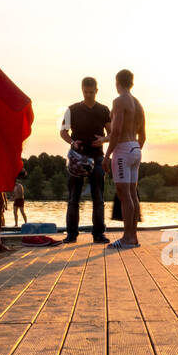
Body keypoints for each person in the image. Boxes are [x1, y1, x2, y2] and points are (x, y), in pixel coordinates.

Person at [60, 77, 112, 245]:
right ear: (82, 90)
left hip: (97, 157)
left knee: (98, 197)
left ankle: (98, 234)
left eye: (91, 92)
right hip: (77, 157)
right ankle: (71, 234)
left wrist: (103, 140)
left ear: (97, 91)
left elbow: (112, 134)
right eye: (85, 92)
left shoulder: (104, 110)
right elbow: (63, 132)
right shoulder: (72, 109)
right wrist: (72, 142)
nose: (88, 95)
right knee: (73, 197)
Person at [104, 69, 145, 250]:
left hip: (123, 149)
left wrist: (107, 155)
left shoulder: (119, 101)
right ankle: (133, 237)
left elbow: (117, 131)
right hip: (135, 148)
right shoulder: (138, 104)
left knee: (124, 194)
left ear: (117, 82)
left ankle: (128, 238)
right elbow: (143, 135)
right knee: (132, 193)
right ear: (132, 83)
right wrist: (134, 151)